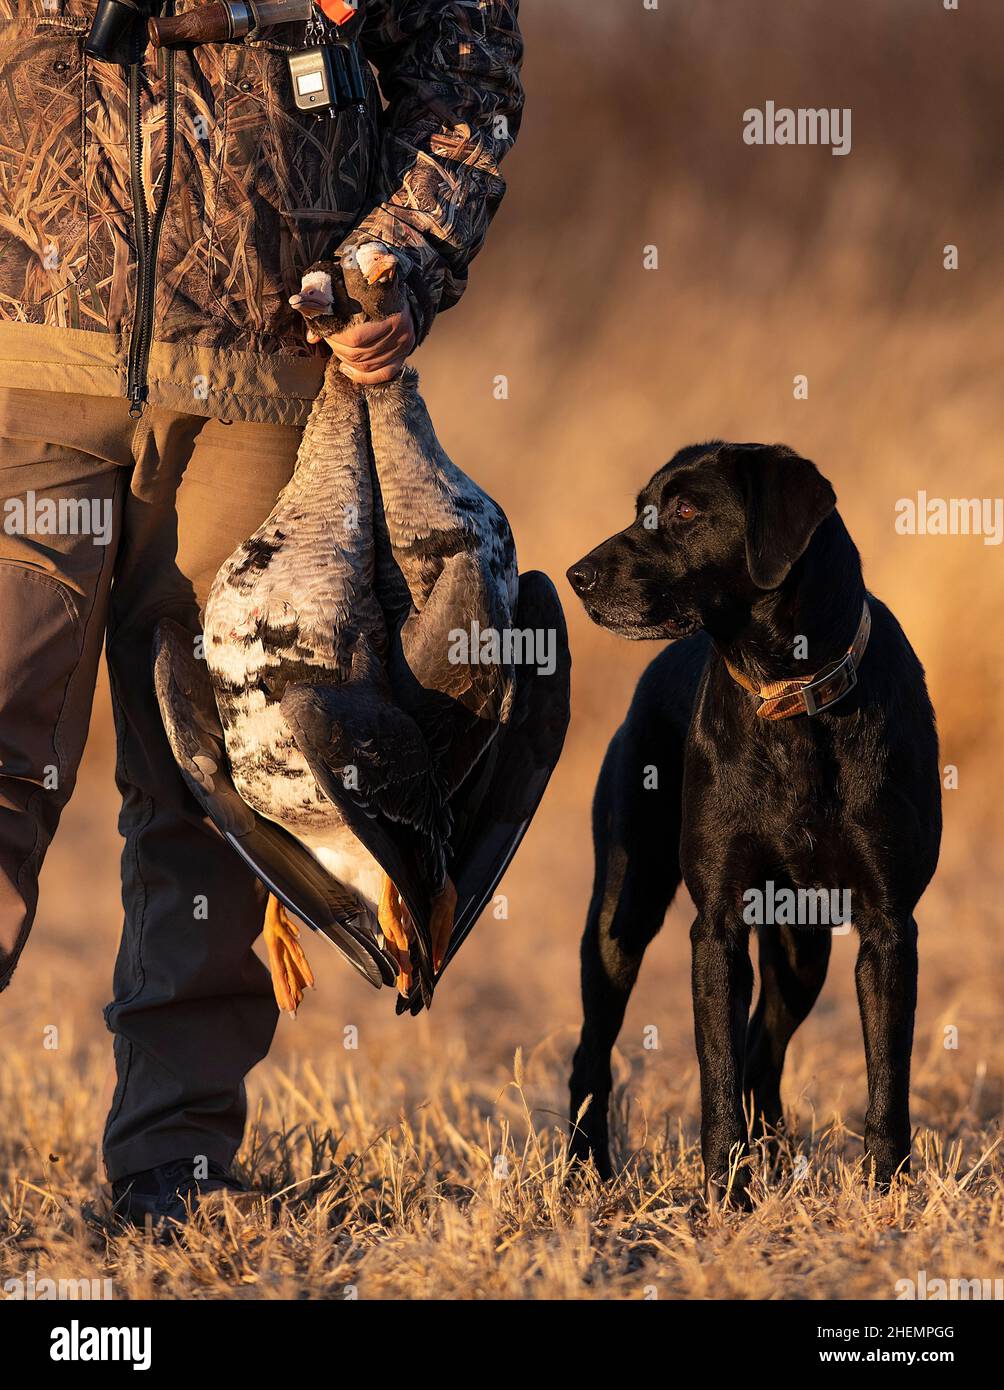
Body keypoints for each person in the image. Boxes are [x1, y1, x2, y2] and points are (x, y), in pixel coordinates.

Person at [0, 0, 523, 1225]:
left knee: (219, 792)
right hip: (26, 355)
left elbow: (466, 64)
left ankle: (175, 1165)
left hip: (269, 372)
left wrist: (392, 263)